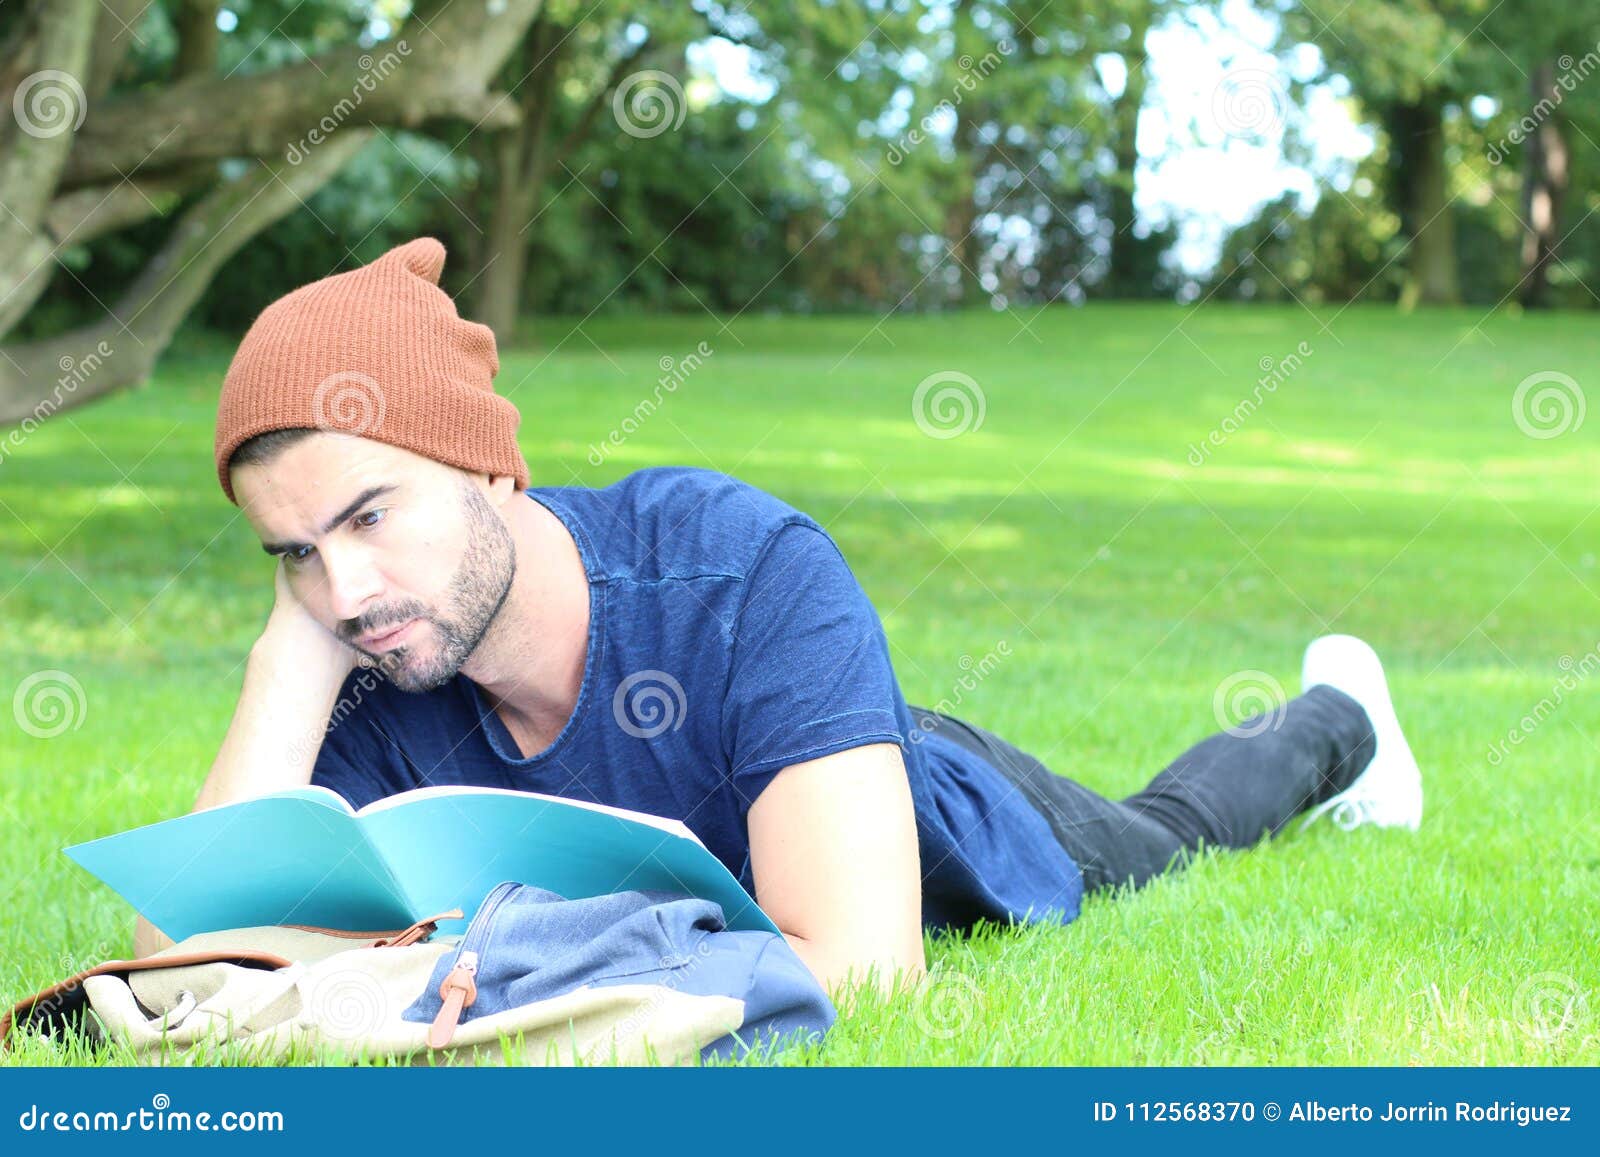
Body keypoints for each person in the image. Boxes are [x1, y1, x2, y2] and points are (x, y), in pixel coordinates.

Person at [132, 237, 1425, 996]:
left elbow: (864, 963)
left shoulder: (735, 568)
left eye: (367, 516)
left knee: (1171, 834)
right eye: (291, 552)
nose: (345, 590)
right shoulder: (371, 654)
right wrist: (289, 645)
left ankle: (1344, 720)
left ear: (490, 467)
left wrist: (510, 962)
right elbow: (179, 966)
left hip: (916, 801)